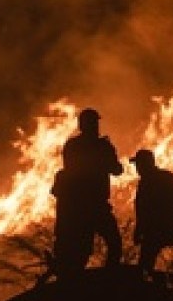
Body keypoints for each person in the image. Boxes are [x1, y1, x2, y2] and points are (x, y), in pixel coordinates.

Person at [51, 108, 124, 273]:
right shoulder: (100, 147)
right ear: (85, 125)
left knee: (89, 246)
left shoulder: (73, 146)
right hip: (91, 205)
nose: (96, 126)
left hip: (82, 206)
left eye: (95, 123)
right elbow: (116, 169)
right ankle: (106, 277)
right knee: (111, 243)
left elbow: (71, 168)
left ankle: (86, 277)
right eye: (93, 123)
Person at [130, 149, 173, 278]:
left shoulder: (150, 182)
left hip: (157, 228)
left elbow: (146, 209)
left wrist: (140, 229)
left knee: (145, 263)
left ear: (145, 164)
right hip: (163, 227)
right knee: (147, 260)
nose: (137, 168)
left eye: (138, 164)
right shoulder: (166, 177)